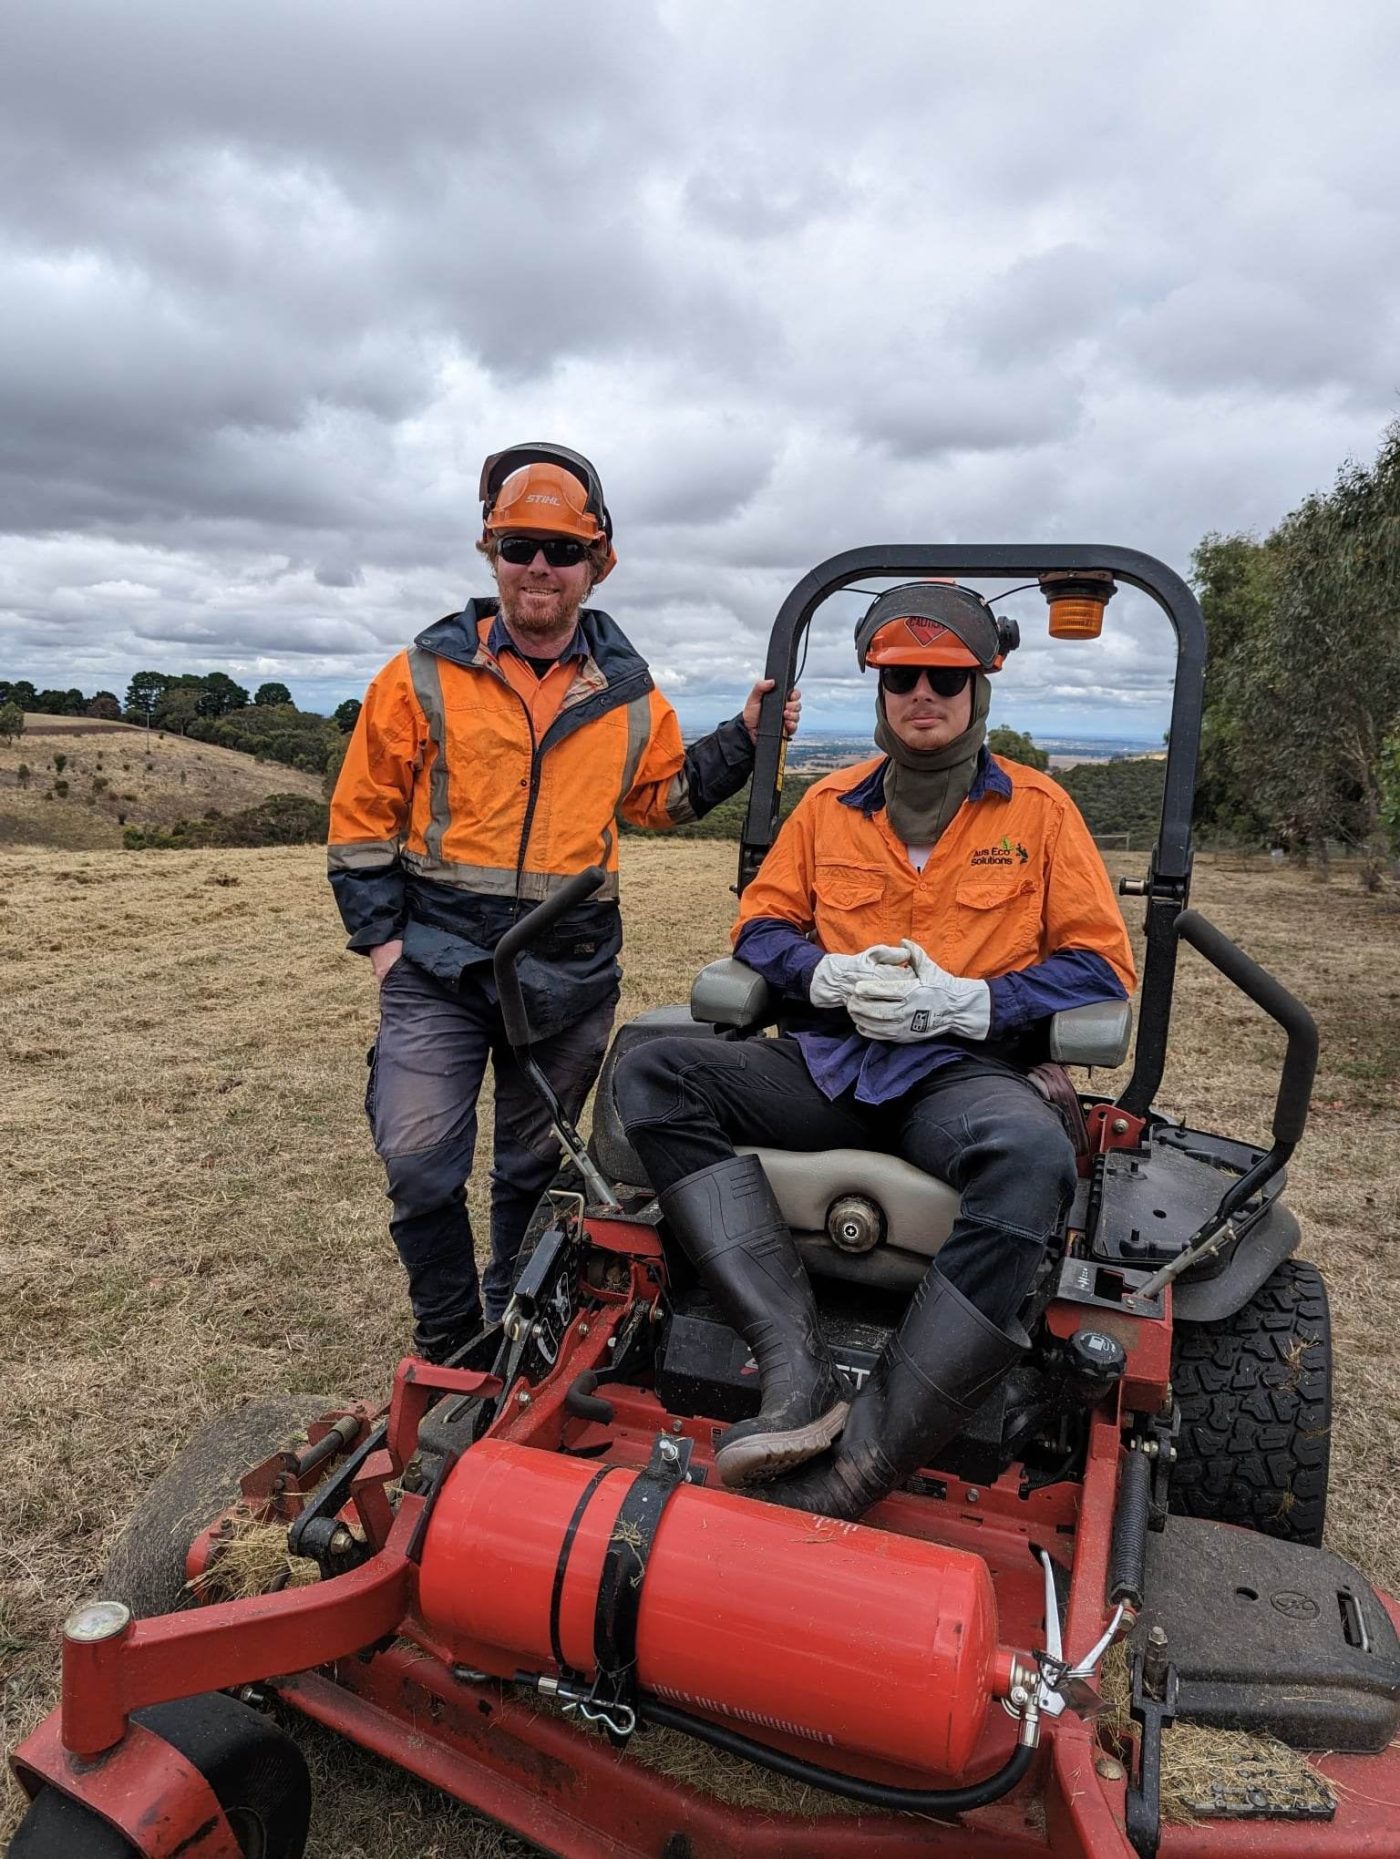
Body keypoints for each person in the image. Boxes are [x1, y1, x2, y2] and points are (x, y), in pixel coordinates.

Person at [615, 581, 1136, 1514]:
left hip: (963, 1077)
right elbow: (762, 929)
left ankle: (861, 1464)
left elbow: (1101, 970)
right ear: (880, 690)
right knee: (652, 1067)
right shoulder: (827, 808)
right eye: (902, 677)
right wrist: (821, 977)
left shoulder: (1041, 813)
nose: (922, 694)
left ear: (980, 688)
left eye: (945, 675)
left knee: (1032, 1156)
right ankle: (793, 1366)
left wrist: (972, 1003)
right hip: (829, 1067)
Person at [328, 442, 799, 1360]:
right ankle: (446, 1329)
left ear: (597, 562)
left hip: (568, 971)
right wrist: (385, 945)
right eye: (518, 546)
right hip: (439, 968)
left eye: (560, 548)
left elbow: (661, 797)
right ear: (490, 553)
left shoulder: (628, 695)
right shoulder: (418, 676)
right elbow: (359, 822)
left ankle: (509, 1318)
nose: (539, 566)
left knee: (531, 1165)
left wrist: (743, 738)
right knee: (420, 1160)